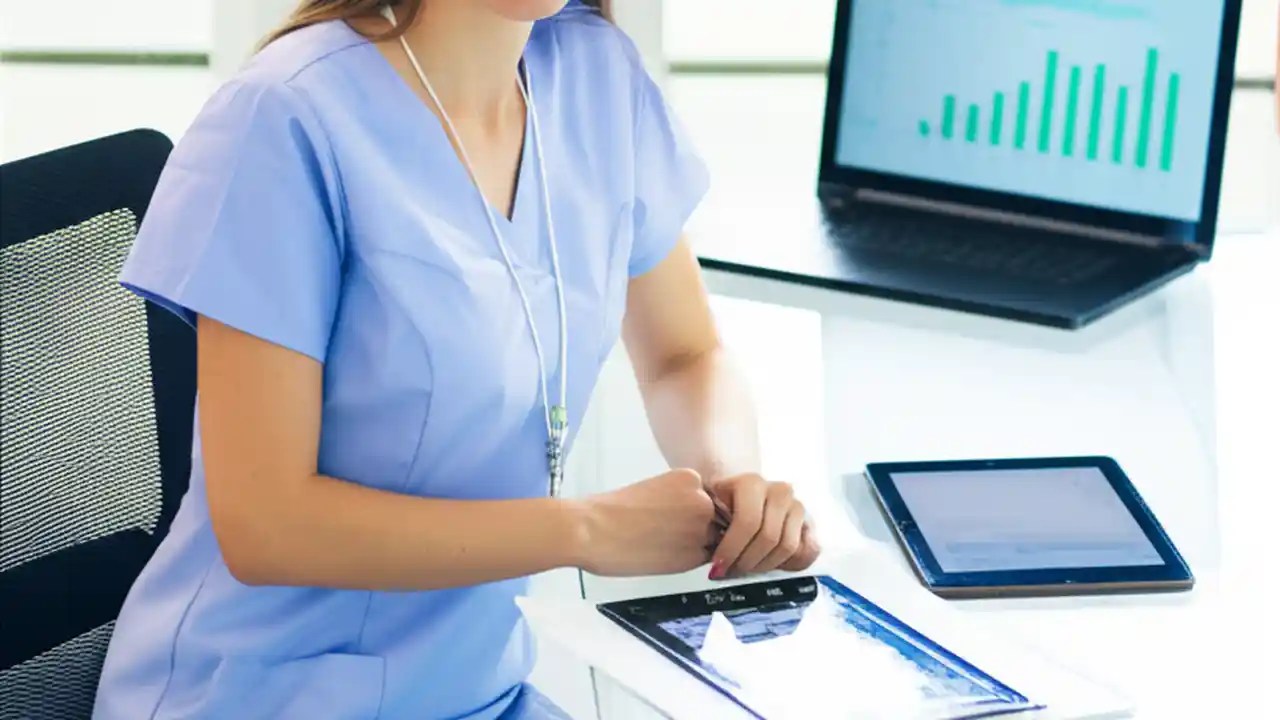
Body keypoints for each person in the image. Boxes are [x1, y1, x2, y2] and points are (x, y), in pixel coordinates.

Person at [92, 1, 820, 718]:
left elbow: (684, 354)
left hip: (476, 692)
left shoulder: (597, 79)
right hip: (262, 697)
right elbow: (266, 524)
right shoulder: (281, 120)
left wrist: (734, 481)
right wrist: (586, 530)